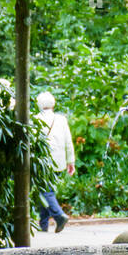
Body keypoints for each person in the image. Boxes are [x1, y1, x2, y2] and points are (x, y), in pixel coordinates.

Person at [36, 91, 75, 233]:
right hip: (58, 162)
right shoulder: (61, 119)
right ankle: (43, 224)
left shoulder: (35, 119)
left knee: (45, 192)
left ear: (39, 104)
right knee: (47, 190)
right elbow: (68, 141)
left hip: (42, 161)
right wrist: (71, 161)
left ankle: (59, 217)